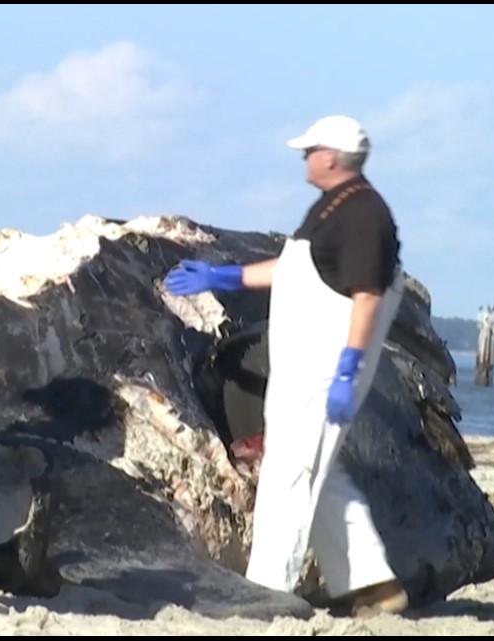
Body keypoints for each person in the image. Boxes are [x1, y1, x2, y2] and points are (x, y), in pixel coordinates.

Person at [163, 114, 408, 616]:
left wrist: (348, 369)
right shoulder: (332, 209)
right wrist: (224, 276)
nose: (303, 158)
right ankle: (373, 585)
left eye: (309, 150)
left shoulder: (364, 216)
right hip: (303, 364)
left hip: (327, 363)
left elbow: (366, 297)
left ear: (331, 158)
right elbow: (299, 268)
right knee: (318, 471)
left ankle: (266, 593)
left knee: (289, 472)